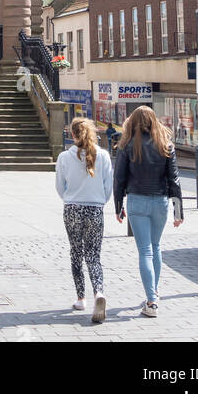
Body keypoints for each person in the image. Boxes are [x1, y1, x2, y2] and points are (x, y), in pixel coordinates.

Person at [113, 105, 184, 318]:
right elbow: (175, 180)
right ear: (154, 121)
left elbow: (119, 179)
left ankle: (151, 301)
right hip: (160, 201)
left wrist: (118, 206)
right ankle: (154, 292)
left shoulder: (126, 146)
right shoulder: (166, 146)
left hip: (137, 201)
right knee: (156, 246)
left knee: (145, 250)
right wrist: (178, 211)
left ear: (132, 122)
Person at [54, 116, 112, 323]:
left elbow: (60, 187)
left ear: (72, 134)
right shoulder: (103, 156)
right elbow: (108, 188)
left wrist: (70, 199)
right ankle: (99, 292)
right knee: (94, 255)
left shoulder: (64, 157)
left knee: (76, 252)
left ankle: (81, 298)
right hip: (95, 209)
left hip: (72, 209)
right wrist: (99, 201)